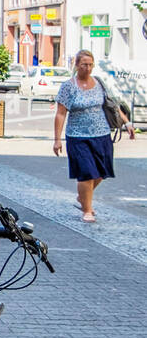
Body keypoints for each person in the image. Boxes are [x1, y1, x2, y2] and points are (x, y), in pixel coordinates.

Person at [53, 48, 135, 221]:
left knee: (101, 172)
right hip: (78, 136)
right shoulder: (68, 86)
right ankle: (87, 210)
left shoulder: (99, 82)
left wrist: (127, 123)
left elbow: (113, 105)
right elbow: (60, 113)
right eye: (84, 65)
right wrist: (57, 140)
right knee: (87, 172)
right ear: (76, 65)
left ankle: (83, 196)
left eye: (90, 65)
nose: (88, 68)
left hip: (102, 134)